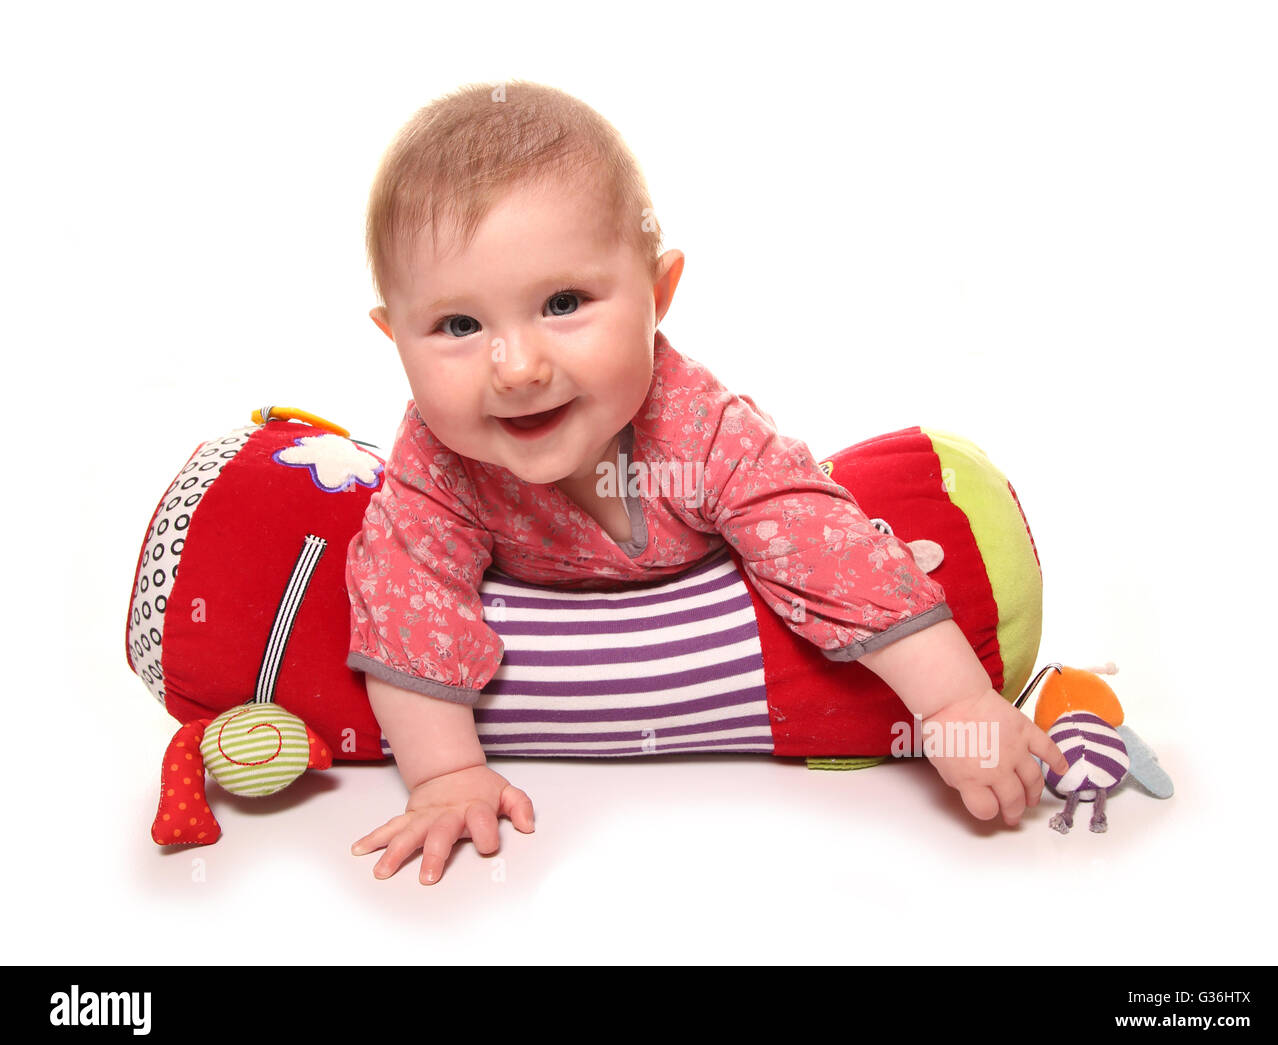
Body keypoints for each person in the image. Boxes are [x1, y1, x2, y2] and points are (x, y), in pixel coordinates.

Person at [345, 80, 1068, 884]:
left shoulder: (695, 426)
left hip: (737, 594)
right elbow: (406, 601)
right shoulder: (435, 465)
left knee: (814, 516)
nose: (517, 368)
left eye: (562, 302)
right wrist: (444, 775)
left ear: (657, 295)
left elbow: (814, 539)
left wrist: (955, 705)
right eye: (459, 326)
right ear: (394, 335)